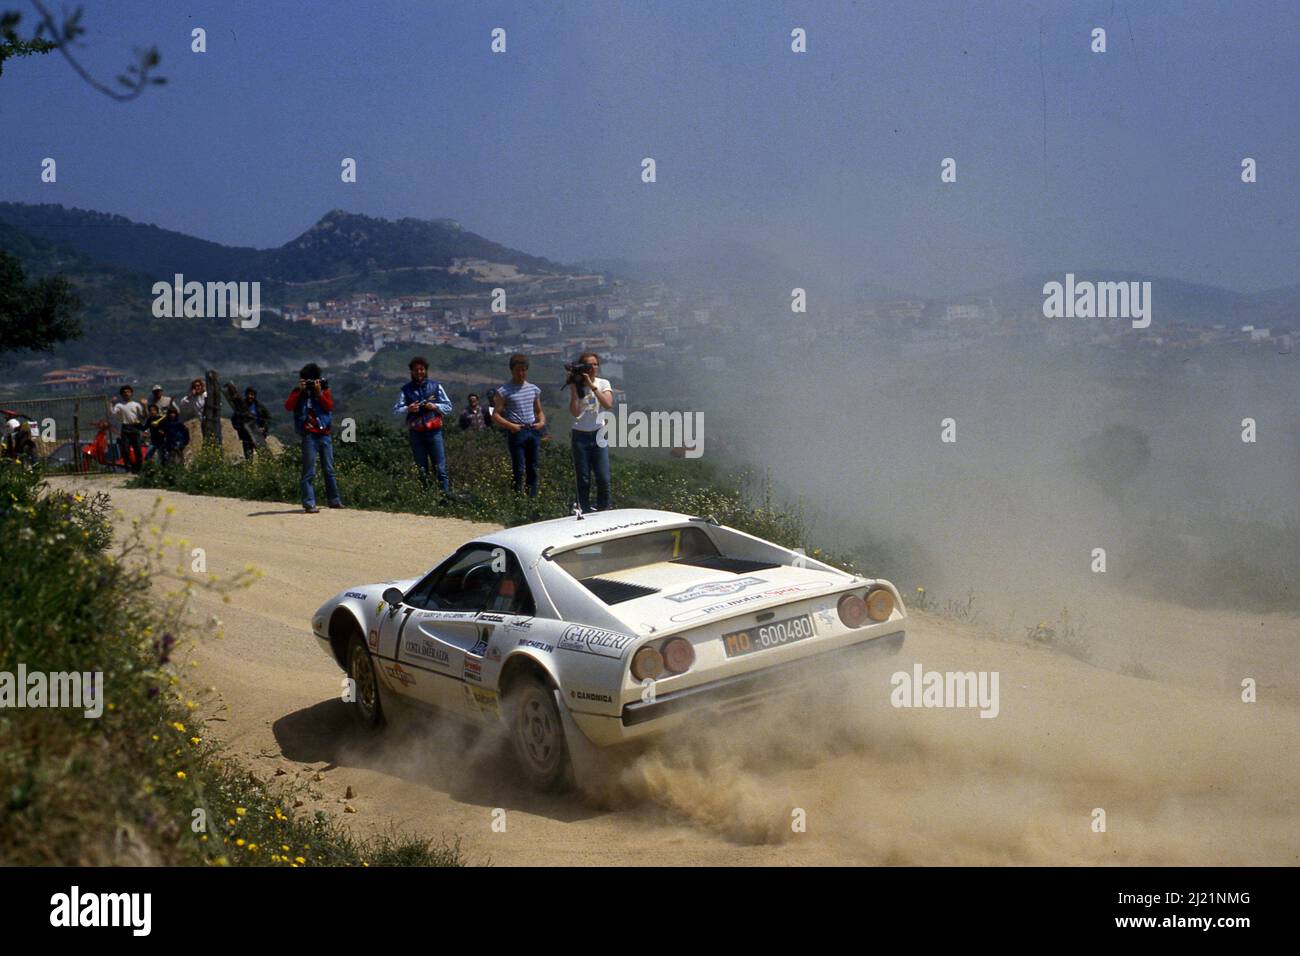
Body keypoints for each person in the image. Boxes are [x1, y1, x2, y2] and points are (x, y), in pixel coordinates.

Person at [285, 363, 341, 513]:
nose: (310, 384)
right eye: (307, 381)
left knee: (329, 469)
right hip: (309, 434)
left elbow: (329, 407)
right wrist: (299, 392)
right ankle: (309, 503)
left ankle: (334, 500)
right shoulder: (298, 392)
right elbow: (288, 406)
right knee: (309, 470)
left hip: (324, 434)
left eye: (312, 381)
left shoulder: (324, 390)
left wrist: (318, 394)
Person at [393, 356, 452, 492]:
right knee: (422, 469)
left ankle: (445, 496)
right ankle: (426, 497)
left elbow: (448, 406)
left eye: (421, 369)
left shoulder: (436, 386)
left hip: (434, 431)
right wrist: (408, 409)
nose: (419, 372)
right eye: (416, 370)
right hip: (416, 433)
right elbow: (396, 410)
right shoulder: (406, 390)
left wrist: (435, 406)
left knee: (440, 468)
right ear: (411, 372)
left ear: (425, 370)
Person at [492, 354, 545, 498]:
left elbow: (539, 411)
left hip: (532, 430)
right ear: (512, 370)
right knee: (519, 469)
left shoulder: (534, 389)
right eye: (517, 370)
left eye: (523, 370)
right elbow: (495, 415)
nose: (520, 373)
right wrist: (511, 426)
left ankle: (531, 499)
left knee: (533, 467)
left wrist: (541, 422)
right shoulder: (504, 390)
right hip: (517, 431)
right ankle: (517, 498)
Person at [567, 351, 615, 513]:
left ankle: (604, 509)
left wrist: (591, 385)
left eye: (595, 364)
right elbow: (574, 412)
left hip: (598, 433)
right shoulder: (577, 384)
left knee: (603, 477)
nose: (593, 368)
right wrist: (574, 388)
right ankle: (584, 510)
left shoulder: (603, 383)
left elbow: (607, 404)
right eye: (589, 365)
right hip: (580, 434)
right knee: (584, 478)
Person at [112, 384, 146, 473]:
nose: (126, 394)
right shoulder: (119, 405)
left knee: (137, 449)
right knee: (125, 449)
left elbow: (144, 416)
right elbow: (112, 413)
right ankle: (128, 467)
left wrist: (145, 405)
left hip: (135, 427)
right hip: (125, 427)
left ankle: (139, 468)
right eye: (124, 392)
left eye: (128, 392)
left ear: (131, 393)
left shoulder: (136, 404)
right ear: (122, 395)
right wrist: (111, 403)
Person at [231, 386, 270, 459]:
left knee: (263, 457)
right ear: (246, 395)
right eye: (248, 394)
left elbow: (268, 418)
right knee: (248, 457)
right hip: (246, 436)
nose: (250, 396)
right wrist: (240, 429)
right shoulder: (241, 406)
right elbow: (234, 419)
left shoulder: (259, 406)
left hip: (258, 435)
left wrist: (264, 428)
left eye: (252, 395)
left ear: (255, 396)